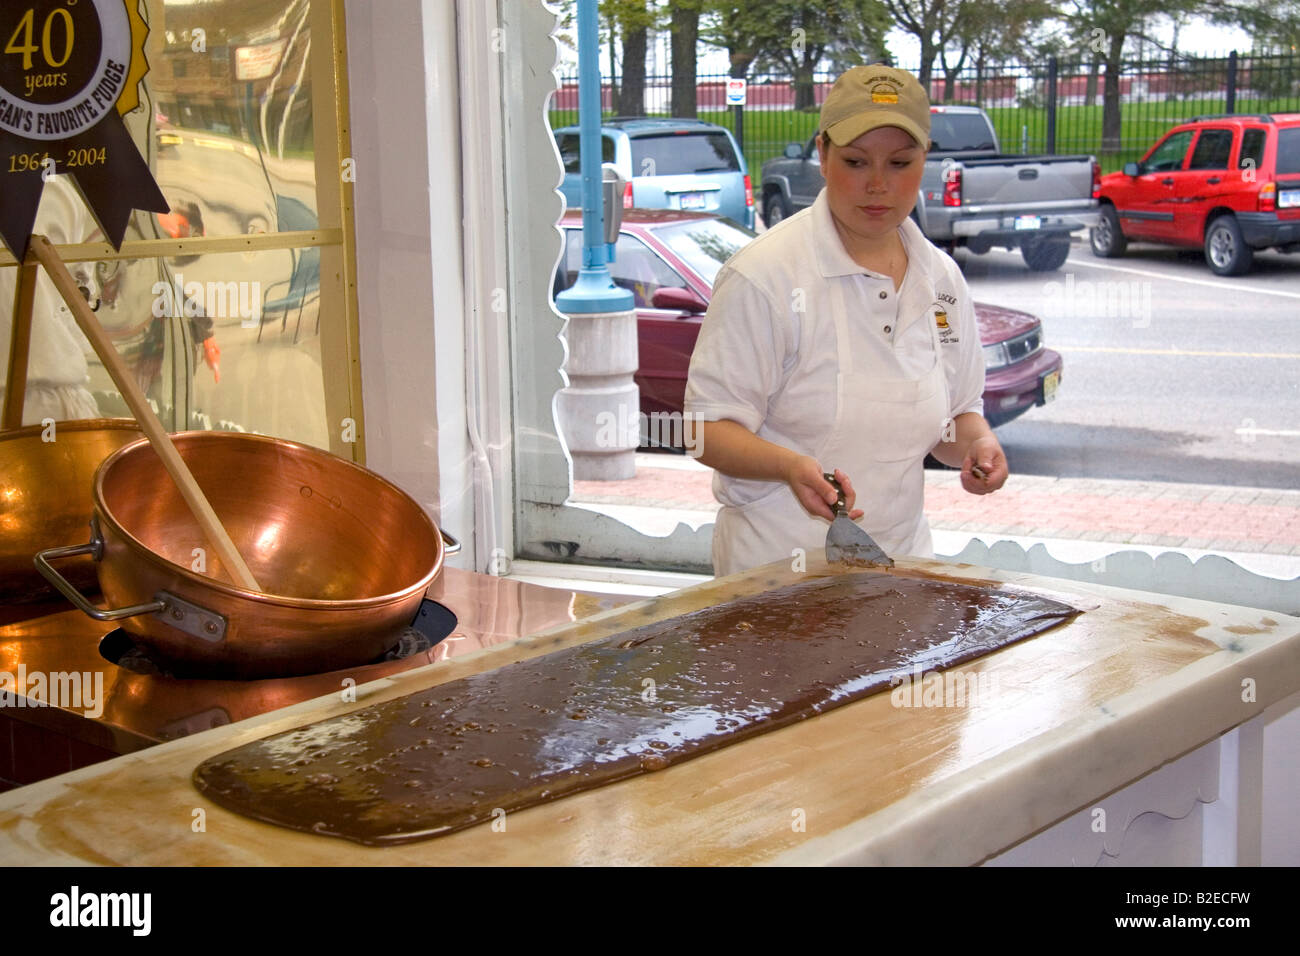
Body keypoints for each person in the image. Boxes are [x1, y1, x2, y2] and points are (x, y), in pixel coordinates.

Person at [685, 64, 1008, 577]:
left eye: (900, 163)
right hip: (774, 580)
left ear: (925, 162)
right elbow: (705, 430)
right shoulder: (764, 276)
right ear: (823, 155)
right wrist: (788, 467)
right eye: (856, 162)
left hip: (903, 573)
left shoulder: (941, 279)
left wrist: (979, 446)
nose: (878, 185)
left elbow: (956, 418)